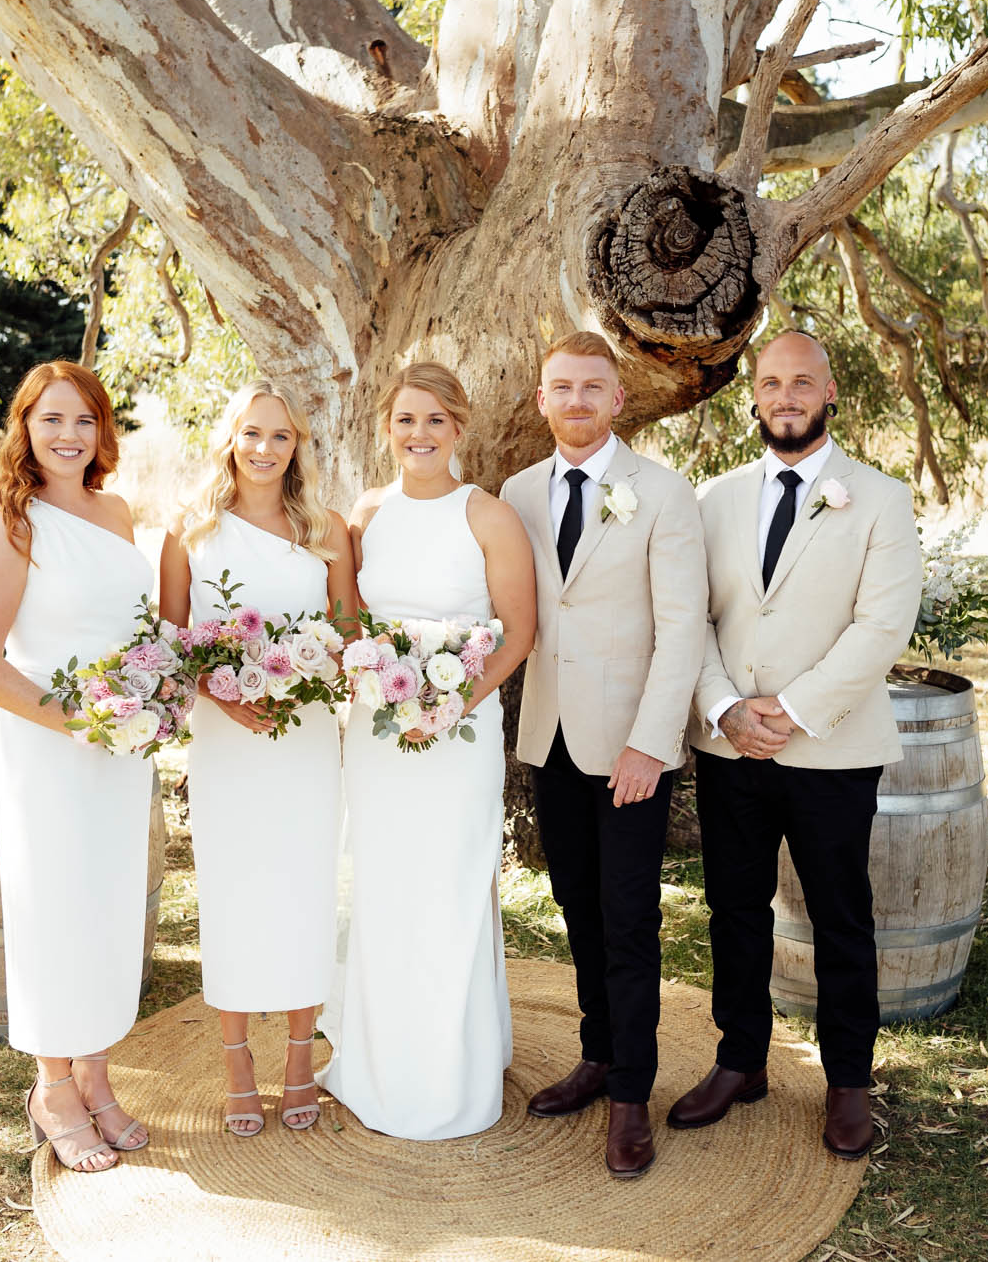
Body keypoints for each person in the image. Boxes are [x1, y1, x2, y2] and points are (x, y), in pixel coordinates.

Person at [673, 331, 921, 1161]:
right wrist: (724, 707)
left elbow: (882, 624)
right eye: (771, 381)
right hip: (731, 746)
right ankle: (740, 1059)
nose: (786, 395)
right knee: (734, 910)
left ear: (831, 391)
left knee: (841, 916)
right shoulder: (713, 499)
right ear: (754, 394)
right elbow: (693, 619)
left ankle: (849, 1078)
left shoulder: (879, 497)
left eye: (801, 382)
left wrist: (793, 707)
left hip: (831, 748)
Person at [498, 331, 705, 1179]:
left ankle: (631, 1093)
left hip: (630, 747)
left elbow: (683, 626)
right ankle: (594, 1052)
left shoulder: (661, 492)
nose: (577, 401)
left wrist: (650, 743)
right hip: (550, 734)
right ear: (542, 400)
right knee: (578, 906)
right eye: (561, 387)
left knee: (628, 920)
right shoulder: (515, 493)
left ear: (619, 400)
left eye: (593, 387)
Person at [316, 362, 537, 1139]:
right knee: (383, 881)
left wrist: (446, 707)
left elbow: (517, 632)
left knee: (447, 883)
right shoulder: (366, 513)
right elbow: (346, 620)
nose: (420, 435)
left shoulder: (488, 515)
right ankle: (378, 1059)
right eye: (406, 420)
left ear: (460, 428)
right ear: (387, 428)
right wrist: (381, 687)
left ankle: (451, 1070)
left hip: (460, 736)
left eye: (436, 420)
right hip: (376, 735)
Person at [0, 360, 157, 1173]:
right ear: (26, 431)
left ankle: (99, 1076)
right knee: (56, 909)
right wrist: (80, 718)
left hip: (122, 746)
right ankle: (52, 1087)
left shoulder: (116, 512)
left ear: (102, 430)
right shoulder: (13, 525)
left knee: (110, 906)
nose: (69, 435)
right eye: (52, 421)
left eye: (84, 420)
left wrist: (141, 700)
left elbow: (133, 626)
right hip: (49, 746)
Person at [159, 381, 360, 1136]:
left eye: (281, 436)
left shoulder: (327, 530)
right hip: (225, 741)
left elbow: (348, 630)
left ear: (299, 445)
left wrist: (310, 668)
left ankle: (301, 1054)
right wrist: (221, 690)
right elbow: (173, 642)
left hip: (305, 740)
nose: (266, 449)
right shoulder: (190, 531)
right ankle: (238, 1058)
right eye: (252, 433)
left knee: (306, 889)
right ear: (230, 439)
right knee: (235, 894)